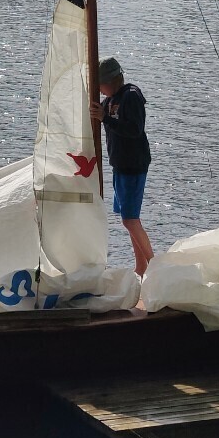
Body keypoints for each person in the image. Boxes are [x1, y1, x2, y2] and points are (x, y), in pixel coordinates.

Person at [90, 57, 154, 276]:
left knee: (129, 219)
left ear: (112, 80)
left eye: (100, 85)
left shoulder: (131, 96)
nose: (99, 89)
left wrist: (106, 119)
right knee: (129, 217)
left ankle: (155, 267)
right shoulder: (109, 101)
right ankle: (141, 267)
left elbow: (134, 129)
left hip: (133, 164)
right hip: (119, 165)